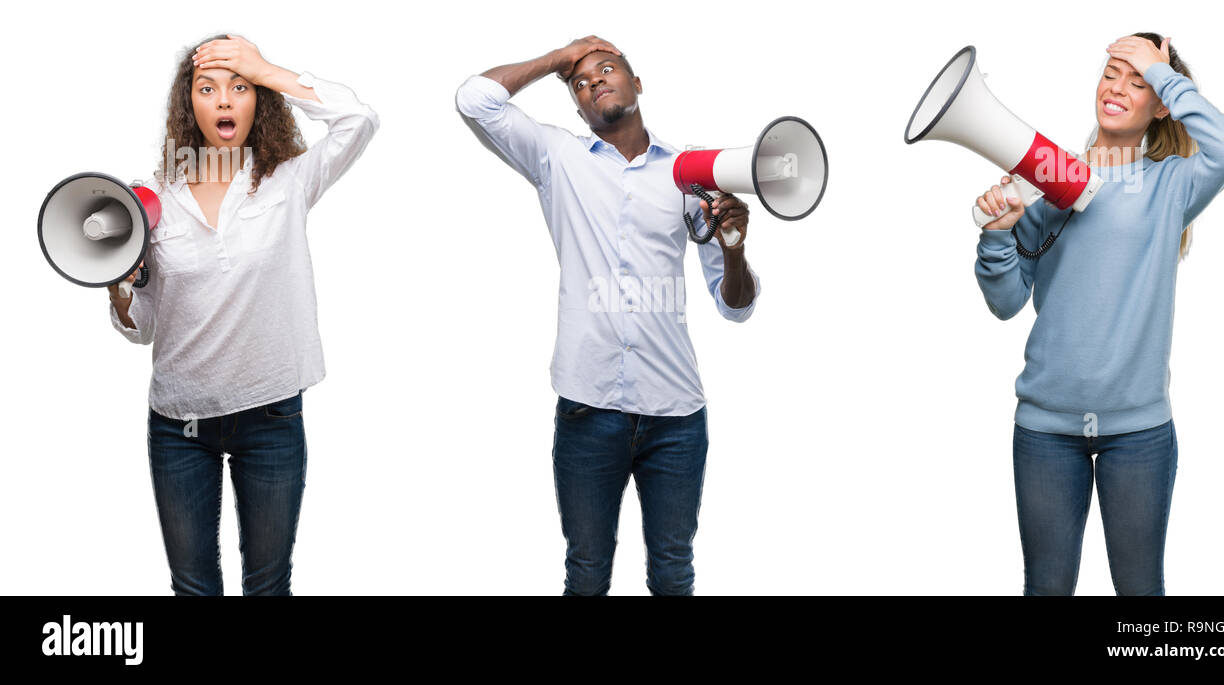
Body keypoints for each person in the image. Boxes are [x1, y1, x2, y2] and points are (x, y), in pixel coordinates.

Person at [455, 36, 760, 596]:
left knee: (673, 573)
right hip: (588, 410)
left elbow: (735, 307)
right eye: (581, 82)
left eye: (607, 68)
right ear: (576, 106)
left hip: (676, 417)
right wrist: (558, 58)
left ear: (637, 84)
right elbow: (475, 99)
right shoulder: (556, 156)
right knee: (587, 574)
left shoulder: (691, 174)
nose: (594, 80)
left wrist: (736, 248)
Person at [973, 33, 1224, 595]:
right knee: (1046, 587)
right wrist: (998, 239)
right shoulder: (1047, 176)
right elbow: (1005, 305)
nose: (1117, 88)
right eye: (1111, 73)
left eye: (1138, 80)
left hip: (1139, 435)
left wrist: (1166, 72)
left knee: (1141, 594)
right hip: (1046, 431)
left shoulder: (1172, 184)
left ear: (1161, 102)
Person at [108, 34, 379, 595]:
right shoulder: (155, 199)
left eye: (240, 87)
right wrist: (119, 288)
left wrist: (268, 68)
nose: (225, 100)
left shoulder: (288, 180)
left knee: (268, 584)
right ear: (191, 106)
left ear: (260, 101)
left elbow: (359, 118)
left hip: (271, 416)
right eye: (208, 89)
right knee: (193, 586)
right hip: (179, 424)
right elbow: (147, 327)